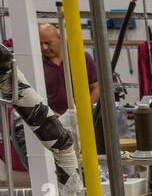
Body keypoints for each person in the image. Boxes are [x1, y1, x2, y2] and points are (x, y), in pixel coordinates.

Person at [12, 24, 101, 168]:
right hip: (49, 124)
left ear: (59, 39)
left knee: (86, 166)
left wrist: (80, 111)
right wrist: (55, 117)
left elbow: (96, 87)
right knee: (55, 168)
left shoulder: (80, 57)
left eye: (48, 43)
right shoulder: (35, 65)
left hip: (81, 122)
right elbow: (30, 98)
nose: (44, 48)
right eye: (40, 44)